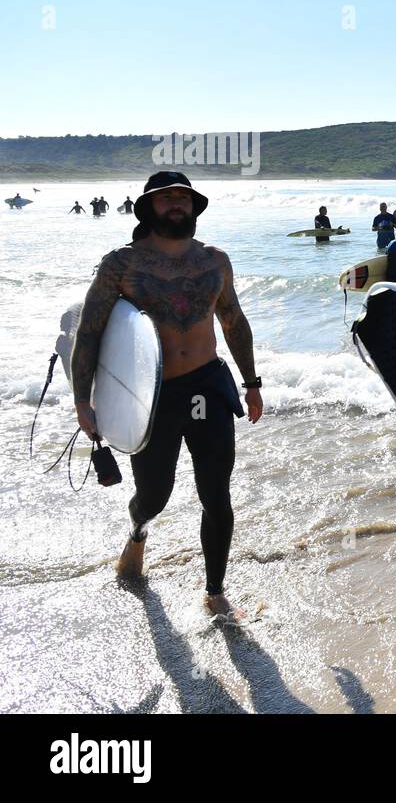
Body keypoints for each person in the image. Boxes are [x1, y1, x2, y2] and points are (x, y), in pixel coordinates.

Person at [72, 171, 263, 620]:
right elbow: (91, 331)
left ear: (194, 207)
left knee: (216, 492)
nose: (176, 204)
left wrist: (252, 383)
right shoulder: (121, 264)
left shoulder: (215, 261)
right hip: (151, 395)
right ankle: (138, 531)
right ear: (149, 208)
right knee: (154, 493)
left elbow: (233, 321)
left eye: (184, 197)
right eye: (166, 198)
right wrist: (84, 400)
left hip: (208, 385)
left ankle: (215, 592)